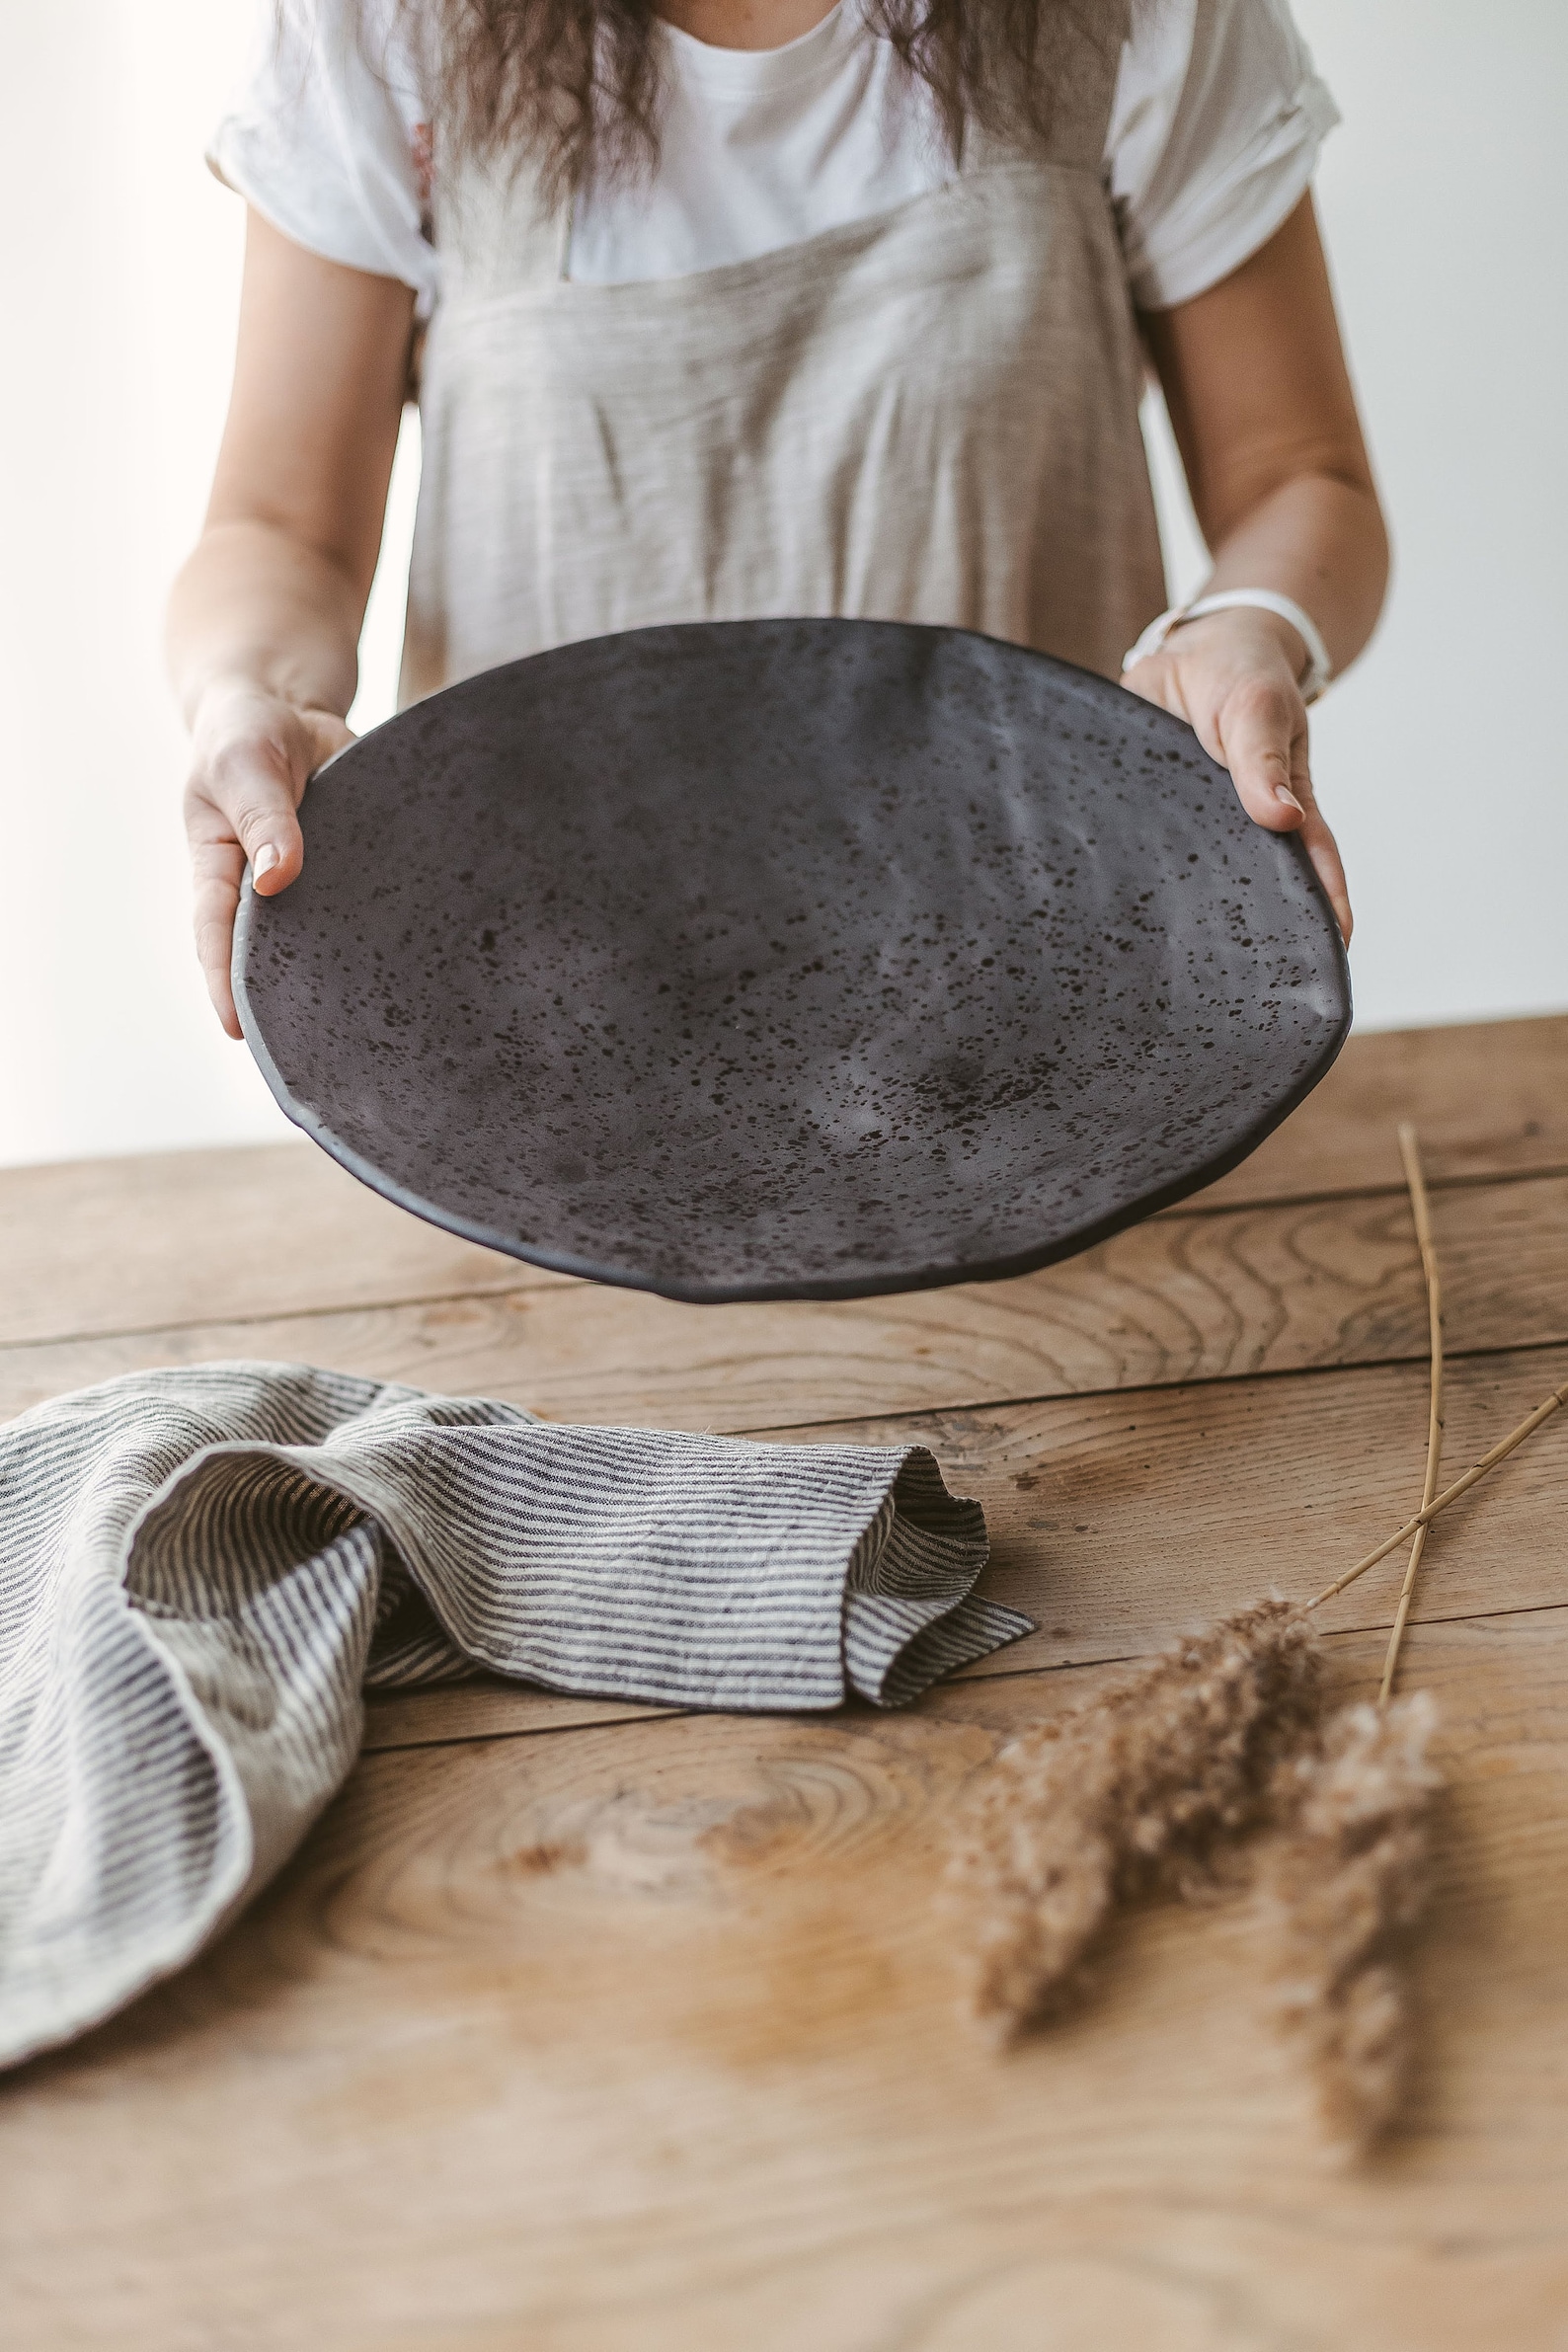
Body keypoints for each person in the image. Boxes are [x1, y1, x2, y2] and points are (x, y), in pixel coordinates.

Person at [170, 0, 1386, 1038]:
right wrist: (250, 693)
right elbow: (284, 528)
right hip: (535, 1025)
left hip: (1042, 997)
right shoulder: (380, 26)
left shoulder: (1147, 18)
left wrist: (1250, 628)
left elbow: (1298, 474)